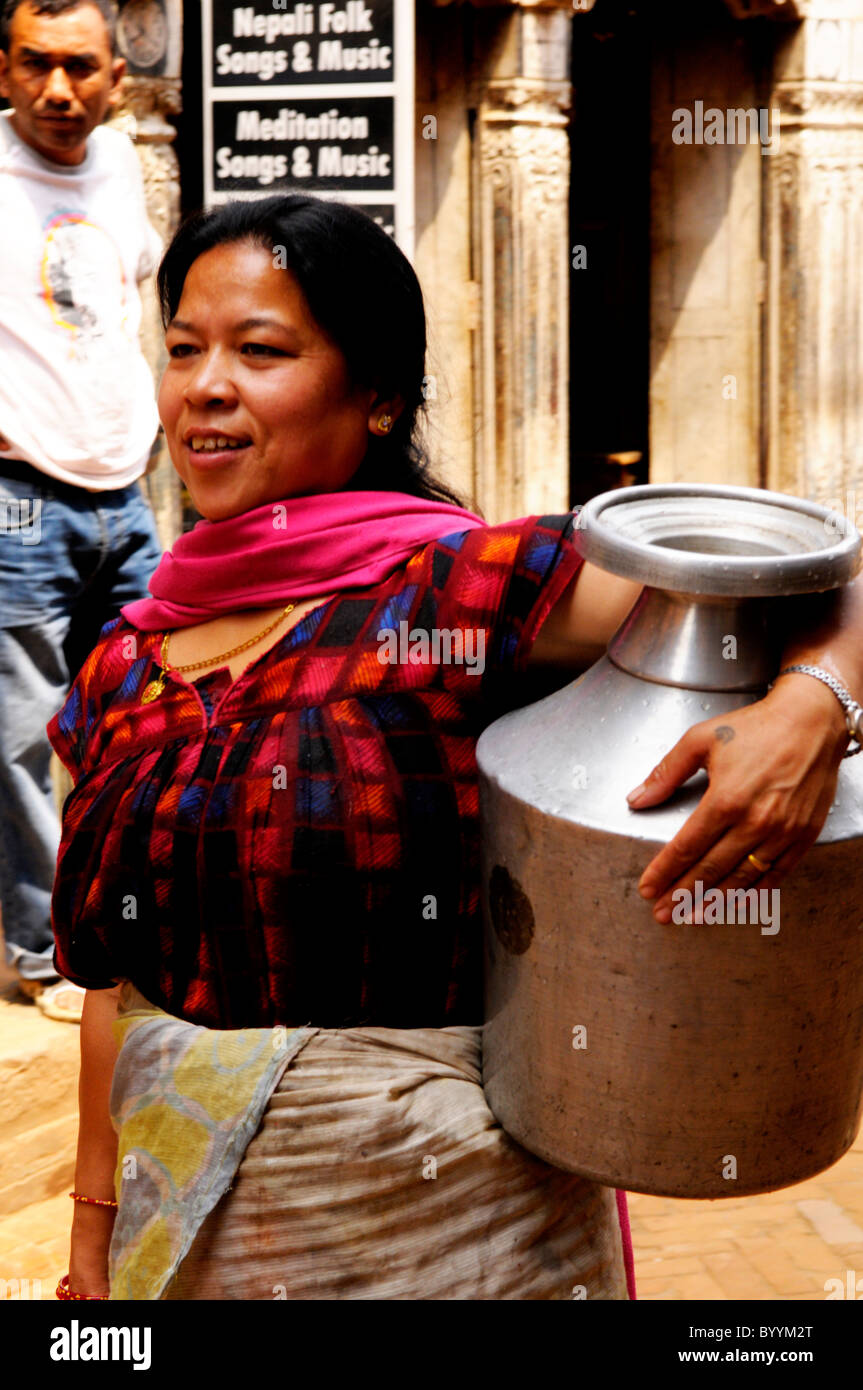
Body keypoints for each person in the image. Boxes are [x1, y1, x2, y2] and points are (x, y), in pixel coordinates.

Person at [48, 194, 863, 1301]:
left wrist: (813, 703)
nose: (205, 386)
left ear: (380, 394)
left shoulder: (462, 591)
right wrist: (94, 1234)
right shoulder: (124, 668)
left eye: (261, 350)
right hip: (192, 1240)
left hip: (457, 1228)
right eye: (183, 348)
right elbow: (113, 987)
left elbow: (820, 579)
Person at [0, 0, 162, 1020]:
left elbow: (124, 303)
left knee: (144, 719)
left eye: (79, 69)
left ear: (115, 77)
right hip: (19, 497)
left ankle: (127, 922)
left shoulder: (121, 161)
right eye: (35, 64)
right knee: (19, 739)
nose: (59, 90)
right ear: (5, 69)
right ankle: (40, 951)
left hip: (127, 495)